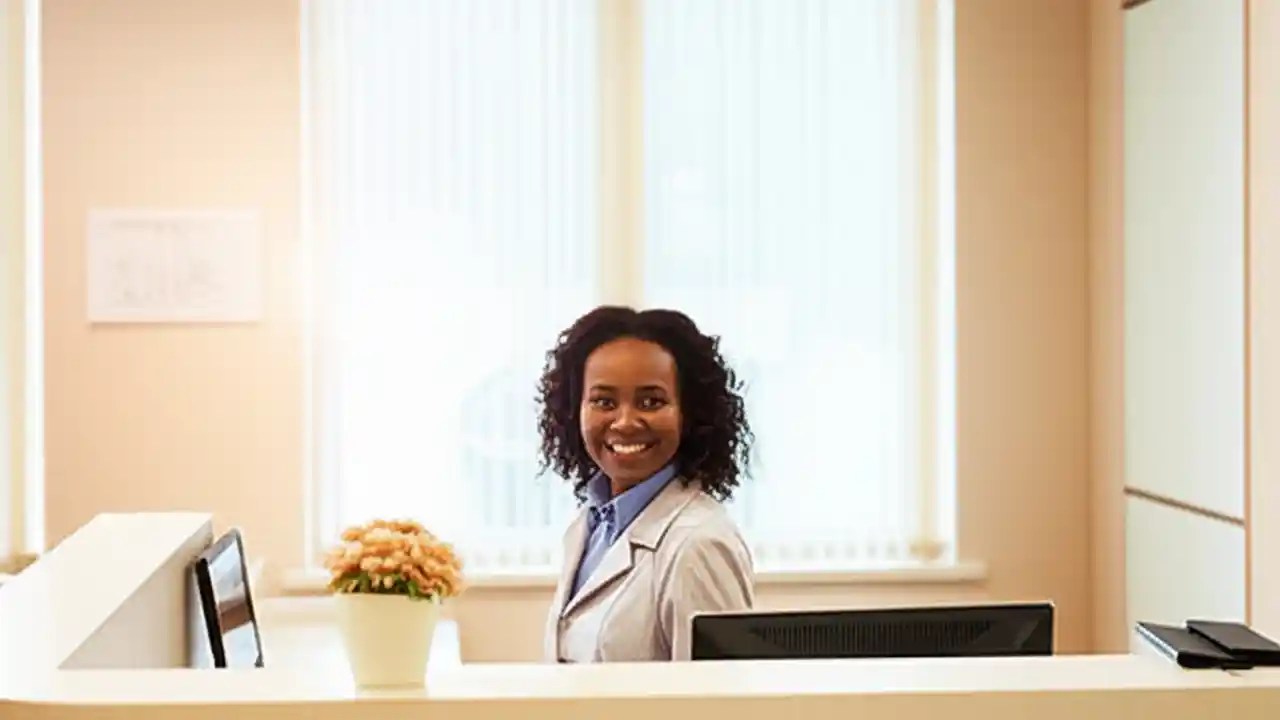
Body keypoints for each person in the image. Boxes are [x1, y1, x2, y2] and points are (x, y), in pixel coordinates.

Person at [536, 305, 755, 662]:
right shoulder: (592, 527)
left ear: (689, 415)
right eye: (603, 401)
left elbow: (719, 704)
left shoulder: (699, 545)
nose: (624, 422)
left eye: (651, 402)